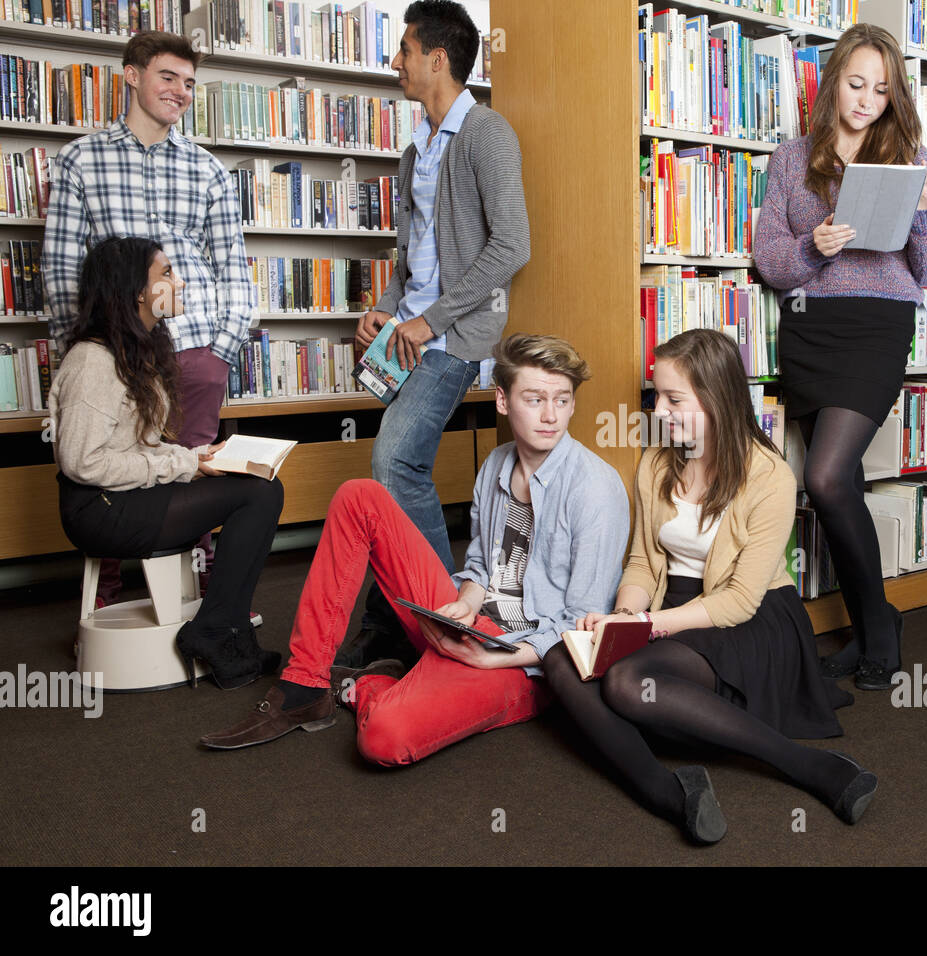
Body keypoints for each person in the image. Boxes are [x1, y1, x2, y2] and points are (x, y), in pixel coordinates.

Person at [198, 334, 627, 765]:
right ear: (502, 400)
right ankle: (304, 685)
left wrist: (490, 659)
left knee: (385, 739)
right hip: (474, 626)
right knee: (359, 496)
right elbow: (479, 565)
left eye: (562, 400)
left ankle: (371, 686)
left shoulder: (595, 487)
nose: (551, 416)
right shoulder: (497, 463)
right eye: (534, 399)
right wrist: (464, 603)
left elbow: (583, 630)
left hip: (526, 664)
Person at [542, 329, 872, 844]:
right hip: (671, 606)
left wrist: (650, 627)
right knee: (560, 659)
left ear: (716, 398)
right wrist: (625, 616)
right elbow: (642, 564)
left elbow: (740, 599)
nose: (661, 410)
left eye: (675, 399)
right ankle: (666, 790)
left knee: (625, 684)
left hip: (750, 618)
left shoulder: (770, 477)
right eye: (658, 396)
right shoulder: (654, 464)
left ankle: (810, 766)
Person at [753, 22, 927, 692]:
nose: (867, 98)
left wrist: (926, 212)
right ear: (833, 81)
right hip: (812, 329)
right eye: (856, 83)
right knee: (841, 487)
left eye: (880, 87)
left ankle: (880, 622)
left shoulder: (909, 158)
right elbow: (771, 261)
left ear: (894, 93)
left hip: (877, 327)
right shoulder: (791, 160)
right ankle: (873, 631)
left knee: (827, 477)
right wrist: (816, 245)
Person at [343, 0, 531, 670]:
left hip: (455, 336)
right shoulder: (414, 149)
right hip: (408, 335)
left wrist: (431, 320)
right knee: (389, 480)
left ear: (437, 58)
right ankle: (391, 617)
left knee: (396, 466)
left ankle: (451, 613)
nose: (395, 61)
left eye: (403, 49)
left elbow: (512, 245)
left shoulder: (486, 133)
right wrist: (387, 309)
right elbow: (412, 253)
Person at [43, 31, 256, 611]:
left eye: (190, 82)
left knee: (198, 475)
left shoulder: (207, 169)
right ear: (132, 75)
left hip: (193, 346)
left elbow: (233, 265)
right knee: (111, 471)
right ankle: (109, 596)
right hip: (119, 351)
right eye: (168, 77)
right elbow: (62, 266)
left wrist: (222, 349)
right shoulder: (81, 160)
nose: (181, 92)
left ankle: (207, 598)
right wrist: (93, 349)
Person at [48, 237, 282, 689]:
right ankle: (219, 629)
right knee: (259, 494)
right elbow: (82, 463)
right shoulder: (92, 361)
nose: (181, 281)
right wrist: (179, 467)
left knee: (260, 483)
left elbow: (139, 445)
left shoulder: (137, 350)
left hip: (127, 497)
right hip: (99, 509)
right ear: (138, 290)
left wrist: (195, 460)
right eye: (168, 273)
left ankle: (220, 624)